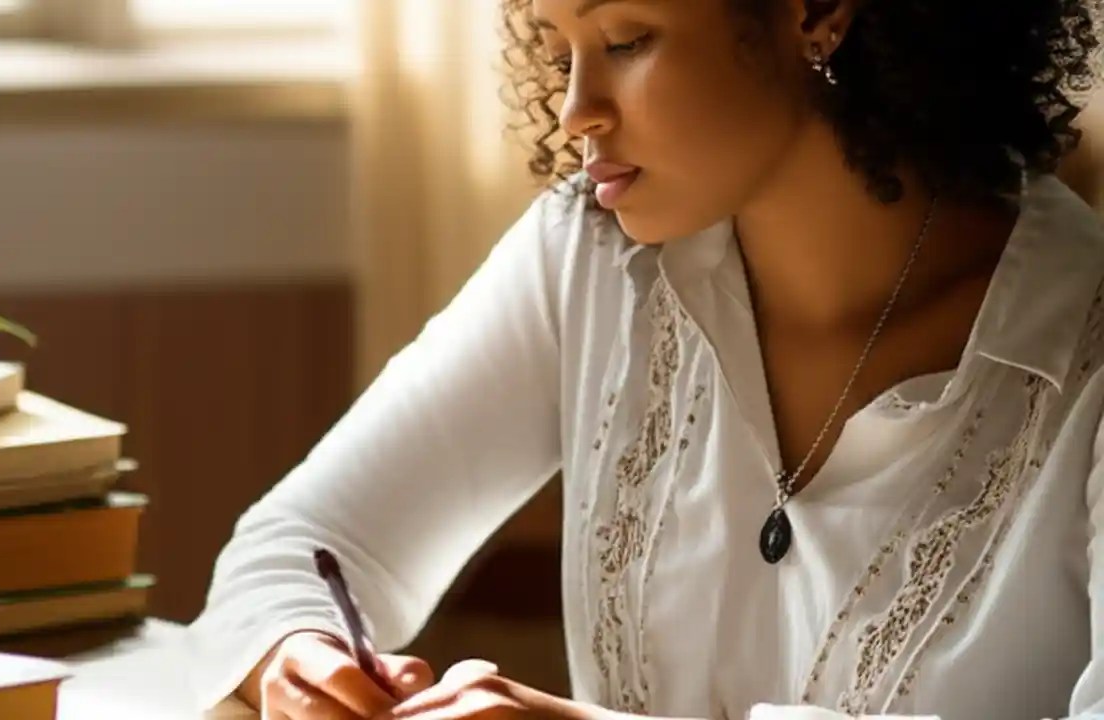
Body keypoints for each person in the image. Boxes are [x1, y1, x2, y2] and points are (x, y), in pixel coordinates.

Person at [184, 0, 1104, 718]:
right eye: (560, 48)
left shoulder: (1084, 347)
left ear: (816, 10)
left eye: (625, 39)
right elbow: (299, 551)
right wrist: (303, 660)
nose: (578, 111)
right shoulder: (590, 257)